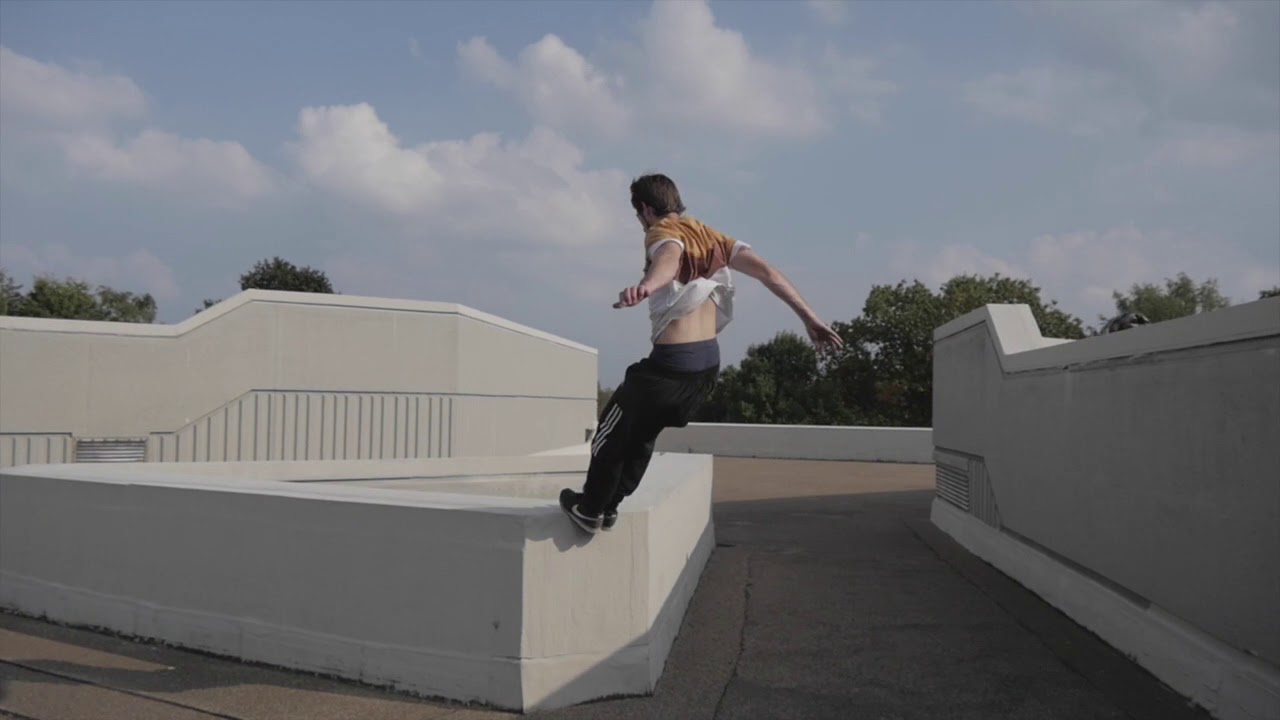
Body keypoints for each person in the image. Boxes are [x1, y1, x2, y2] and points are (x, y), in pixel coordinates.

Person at [559, 173, 843, 534]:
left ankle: (590, 508)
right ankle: (610, 506)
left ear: (646, 209)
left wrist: (646, 286)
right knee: (642, 433)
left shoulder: (660, 231)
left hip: (670, 369)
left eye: (637, 215)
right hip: (705, 372)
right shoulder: (716, 237)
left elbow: (669, 258)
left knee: (611, 430)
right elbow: (768, 272)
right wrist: (811, 319)